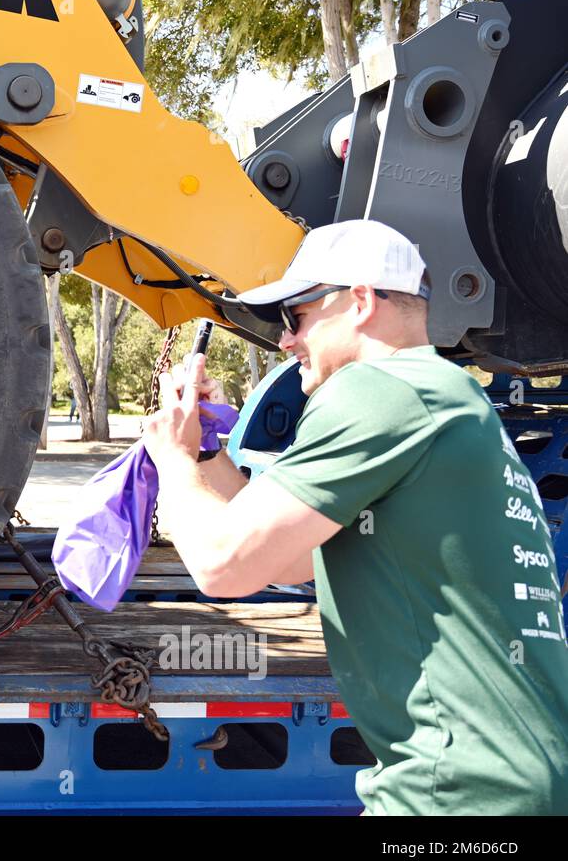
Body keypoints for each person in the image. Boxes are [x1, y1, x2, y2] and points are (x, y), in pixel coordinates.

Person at [141, 218, 568, 814]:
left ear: (360, 301)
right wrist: (209, 455)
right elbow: (283, 558)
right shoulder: (445, 396)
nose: (286, 341)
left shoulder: (378, 389)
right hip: (497, 783)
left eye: (296, 316)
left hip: (458, 794)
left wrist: (171, 457)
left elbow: (222, 566)